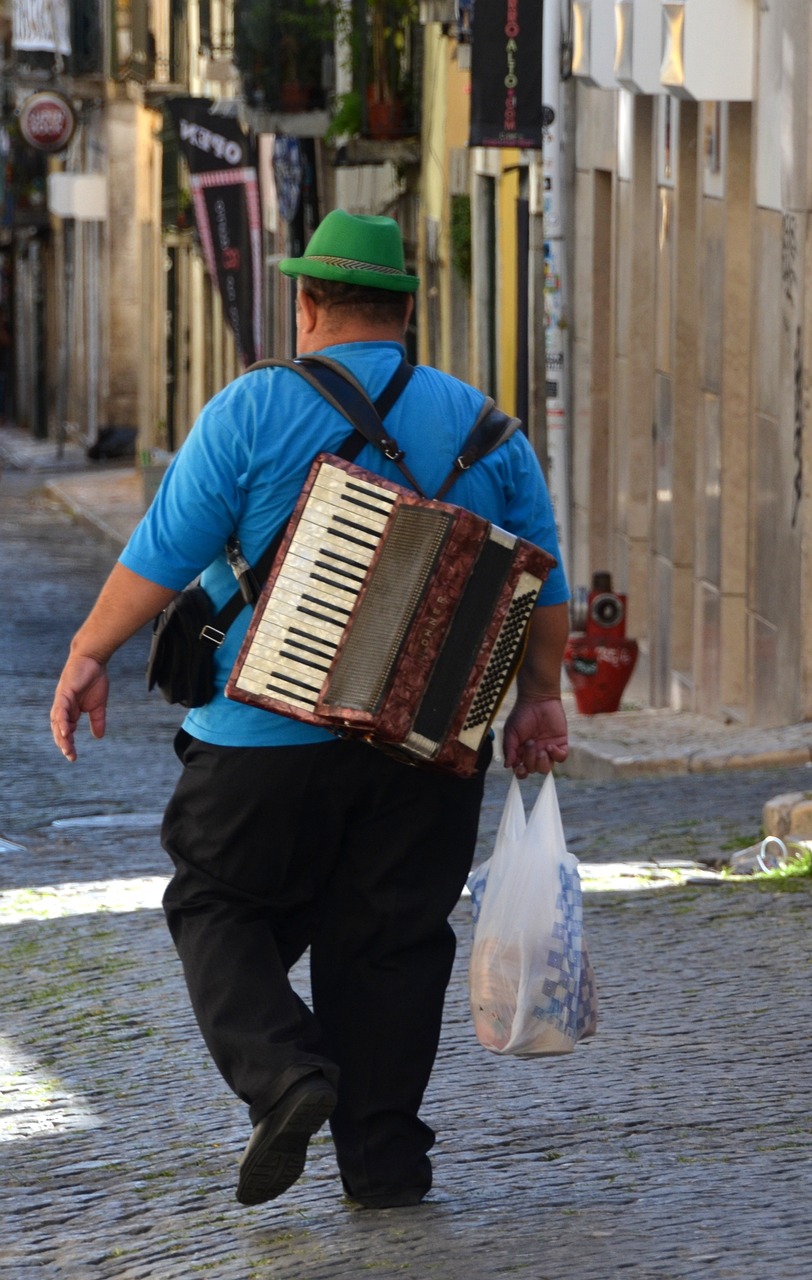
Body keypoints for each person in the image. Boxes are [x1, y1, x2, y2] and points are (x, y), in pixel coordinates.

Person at [50, 210, 570, 1211]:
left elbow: (160, 556)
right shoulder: (484, 427)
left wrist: (87, 652)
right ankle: (384, 1166)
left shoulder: (249, 411)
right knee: (390, 943)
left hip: (263, 739)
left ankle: (285, 1072)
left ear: (307, 301)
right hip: (425, 746)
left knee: (215, 901)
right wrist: (539, 701)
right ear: (406, 312)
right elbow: (541, 593)